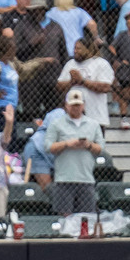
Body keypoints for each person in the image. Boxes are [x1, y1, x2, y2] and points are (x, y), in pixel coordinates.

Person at [41, 85, 104, 230]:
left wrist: (88, 145)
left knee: (87, 218)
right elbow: (48, 147)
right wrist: (67, 144)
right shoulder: (56, 124)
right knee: (65, 217)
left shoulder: (93, 124)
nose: (76, 108)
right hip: (64, 178)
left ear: (83, 105)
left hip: (86, 178)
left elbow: (100, 148)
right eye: (73, 105)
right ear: (66, 106)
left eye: (78, 105)